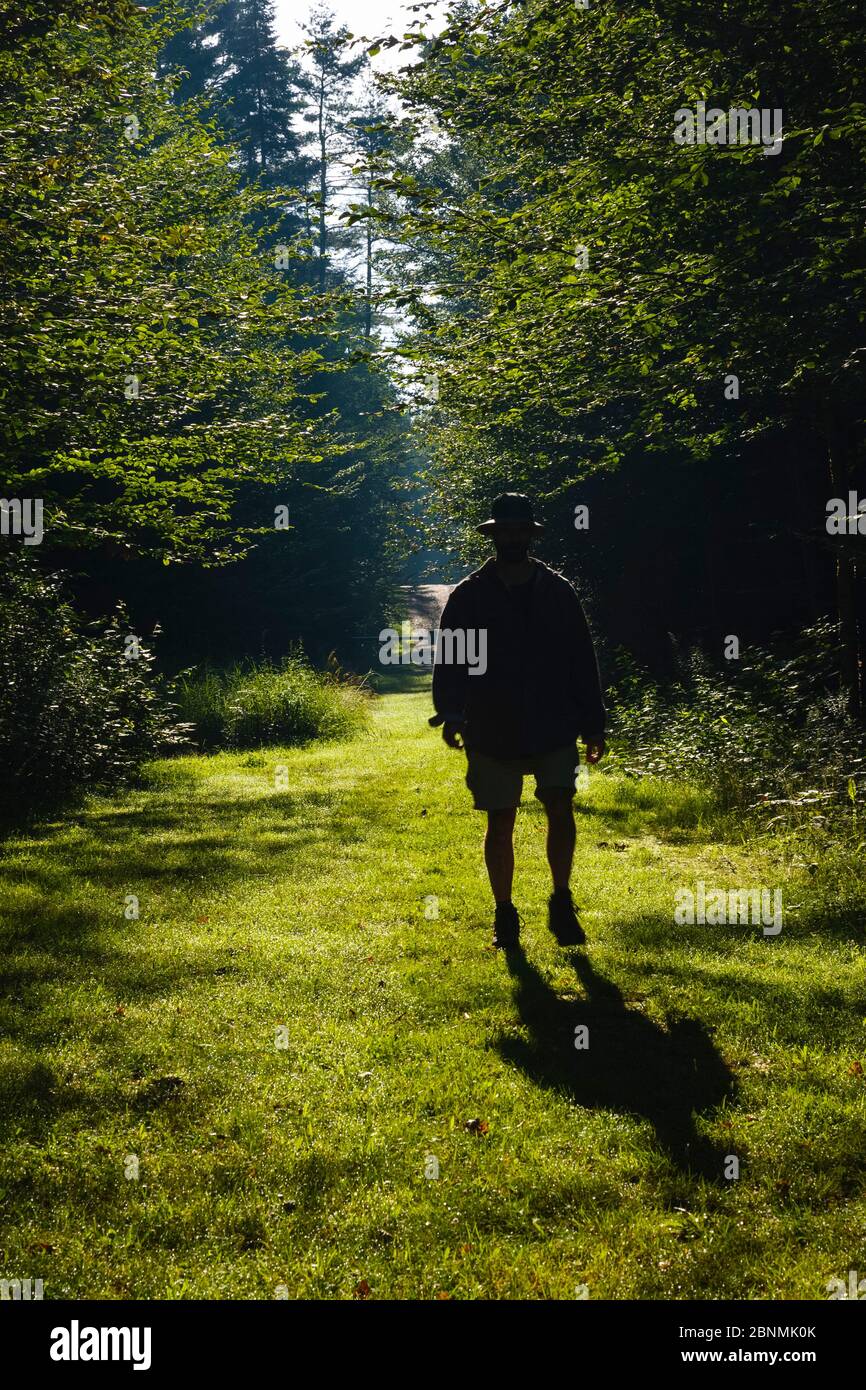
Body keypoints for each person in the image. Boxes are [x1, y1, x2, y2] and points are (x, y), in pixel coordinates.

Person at [431, 492, 606, 949]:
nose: (512, 537)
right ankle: (504, 913)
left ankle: (562, 902)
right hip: (492, 725)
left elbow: (581, 661)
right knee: (500, 818)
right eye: (504, 530)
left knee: (560, 809)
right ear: (494, 536)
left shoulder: (558, 592)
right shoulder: (468, 596)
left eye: (519, 530)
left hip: (554, 722)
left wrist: (594, 723)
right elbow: (451, 659)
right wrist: (450, 711)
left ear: (530, 535)